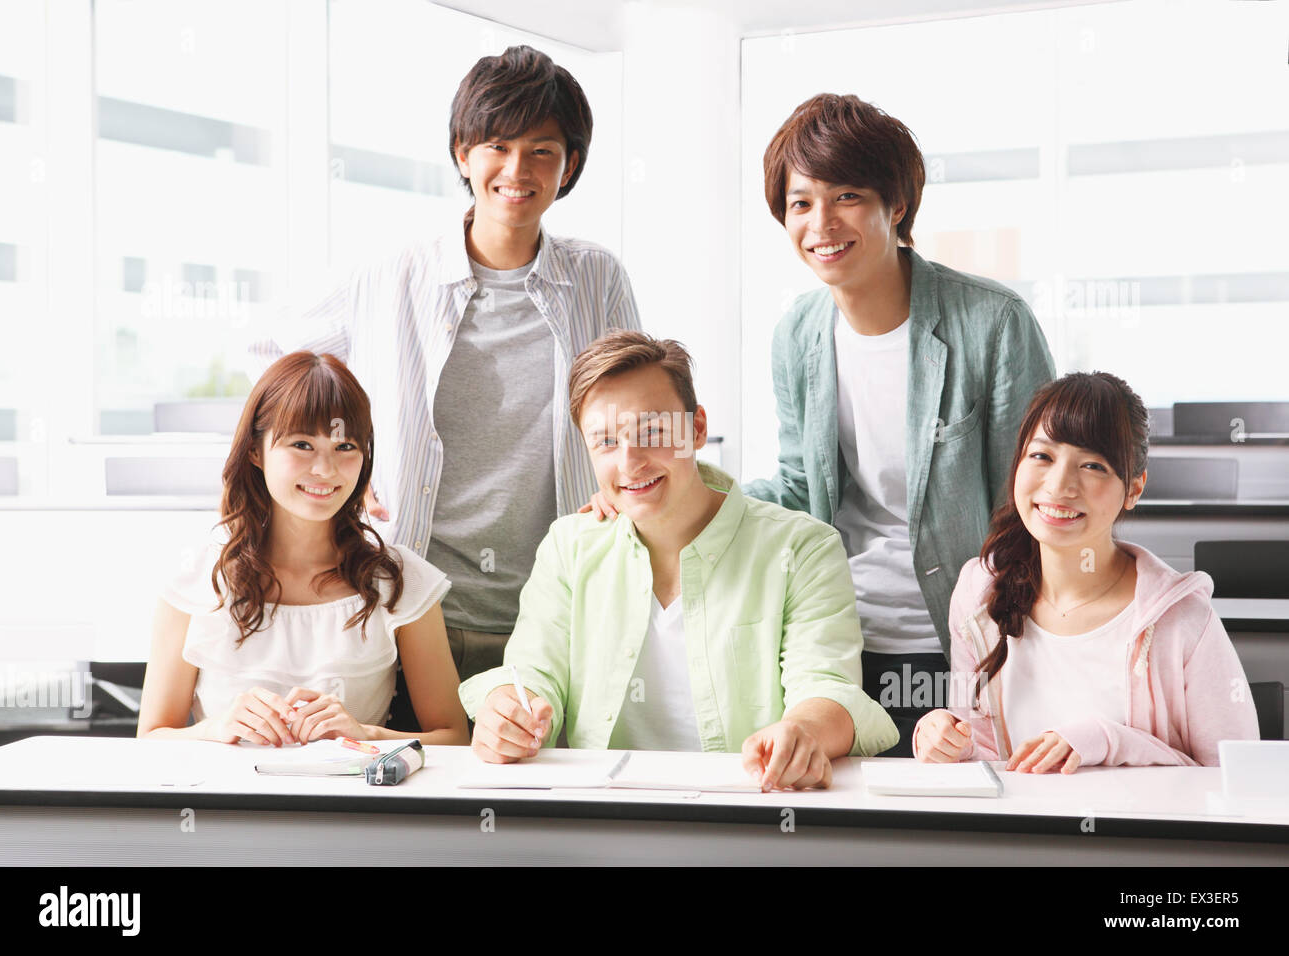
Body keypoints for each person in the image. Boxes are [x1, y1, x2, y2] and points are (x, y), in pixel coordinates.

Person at [251, 45, 641, 684]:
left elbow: (638, 408)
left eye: (542, 150)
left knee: (552, 780)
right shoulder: (392, 273)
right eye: (497, 146)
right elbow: (271, 353)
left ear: (568, 166)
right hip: (408, 606)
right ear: (464, 152)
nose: (517, 169)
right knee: (413, 770)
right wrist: (340, 459)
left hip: (559, 614)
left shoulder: (596, 277)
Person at [743, 93, 1056, 756]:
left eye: (847, 196)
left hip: (969, 640)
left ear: (897, 204)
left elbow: (1034, 502)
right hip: (842, 644)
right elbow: (799, 492)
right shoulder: (797, 334)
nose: (821, 223)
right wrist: (685, 491)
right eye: (801, 203)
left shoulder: (992, 322)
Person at [462, 331, 898, 790]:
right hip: (600, 817)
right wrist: (510, 712)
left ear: (696, 428)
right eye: (605, 442)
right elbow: (533, 672)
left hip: (750, 811)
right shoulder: (569, 546)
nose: (630, 463)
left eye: (652, 432)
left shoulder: (803, 549)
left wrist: (804, 732)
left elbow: (827, 687)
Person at [913, 372, 1259, 771]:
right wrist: (943, 737)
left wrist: (1109, 741)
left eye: (1093, 465)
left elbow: (1238, 782)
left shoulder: (1183, 621)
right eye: (1041, 456)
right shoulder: (977, 594)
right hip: (1019, 833)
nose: (1059, 485)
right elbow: (983, 751)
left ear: (1133, 488)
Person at [137, 352, 468, 746]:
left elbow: (455, 738)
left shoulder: (400, 581)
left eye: (345, 447)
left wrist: (367, 735)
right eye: (302, 445)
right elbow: (151, 740)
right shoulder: (195, 579)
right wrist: (215, 729)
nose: (326, 470)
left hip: (355, 805)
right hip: (222, 806)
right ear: (255, 452)